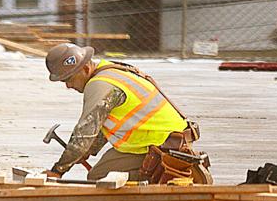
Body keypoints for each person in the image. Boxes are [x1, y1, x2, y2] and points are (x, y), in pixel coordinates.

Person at [43, 43, 196, 182]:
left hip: (161, 144)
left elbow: (84, 133)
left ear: (85, 69)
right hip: (167, 138)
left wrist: (58, 171)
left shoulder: (99, 85)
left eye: (69, 79)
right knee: (101, 173)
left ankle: (160, 174)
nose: (68, 86)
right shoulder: (110, 70)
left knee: (100, 178)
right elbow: (99, 126)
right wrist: (88, 150)